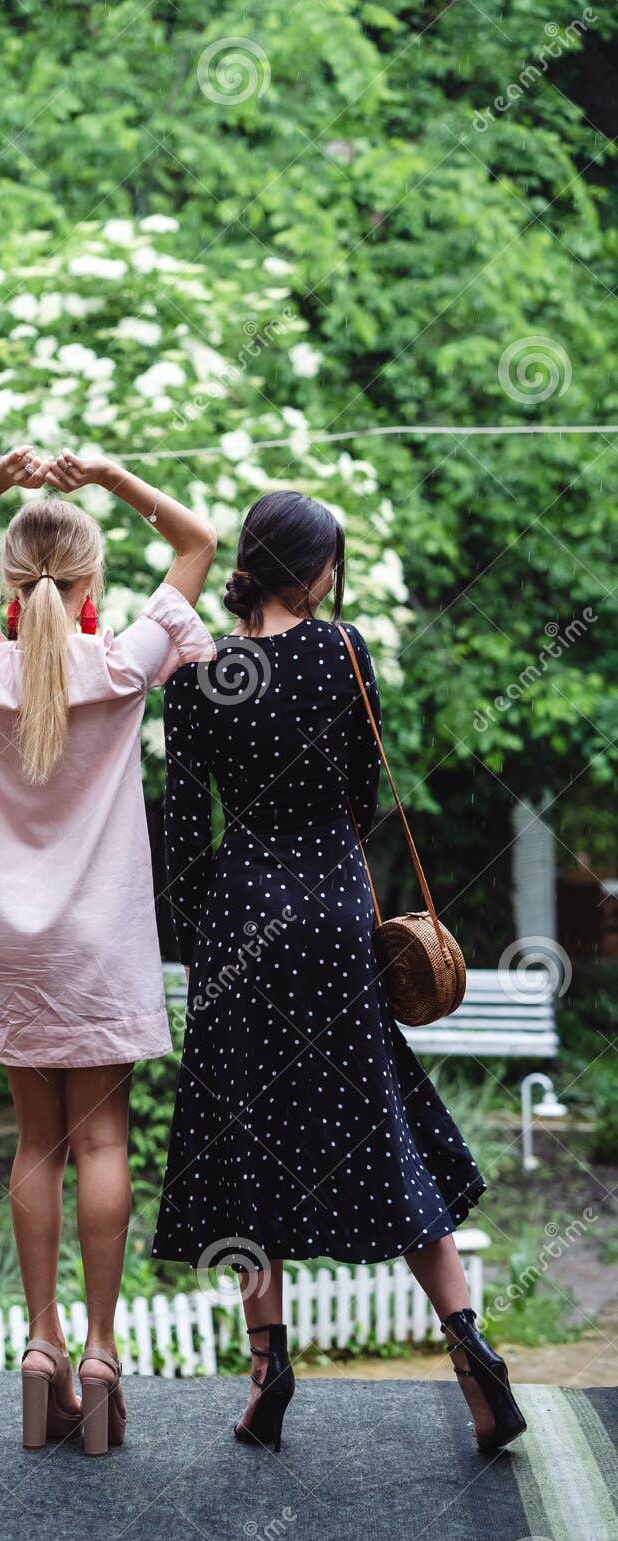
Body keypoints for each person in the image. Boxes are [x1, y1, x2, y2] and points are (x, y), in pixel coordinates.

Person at [152, 489, 526, 1457]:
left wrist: (200, 940)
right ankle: (467, 1344)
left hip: (240, 919)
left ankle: (267, 1367)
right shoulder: (342, 651)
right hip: (330, 911)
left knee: (247, 1139)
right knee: (380, 1120)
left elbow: (183, 829)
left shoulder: (195, 671)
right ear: (316, 571)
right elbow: (360, 796)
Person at [0, 444, 216, 1454]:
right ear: (91, 583)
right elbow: (199, 542)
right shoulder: (122, 662)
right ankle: (101, 1350)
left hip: (6, 943)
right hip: (101, 941)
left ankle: (40, 1345)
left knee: (33, 1144)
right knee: (103, 1144)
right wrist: (111, 477)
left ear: (7, 583)